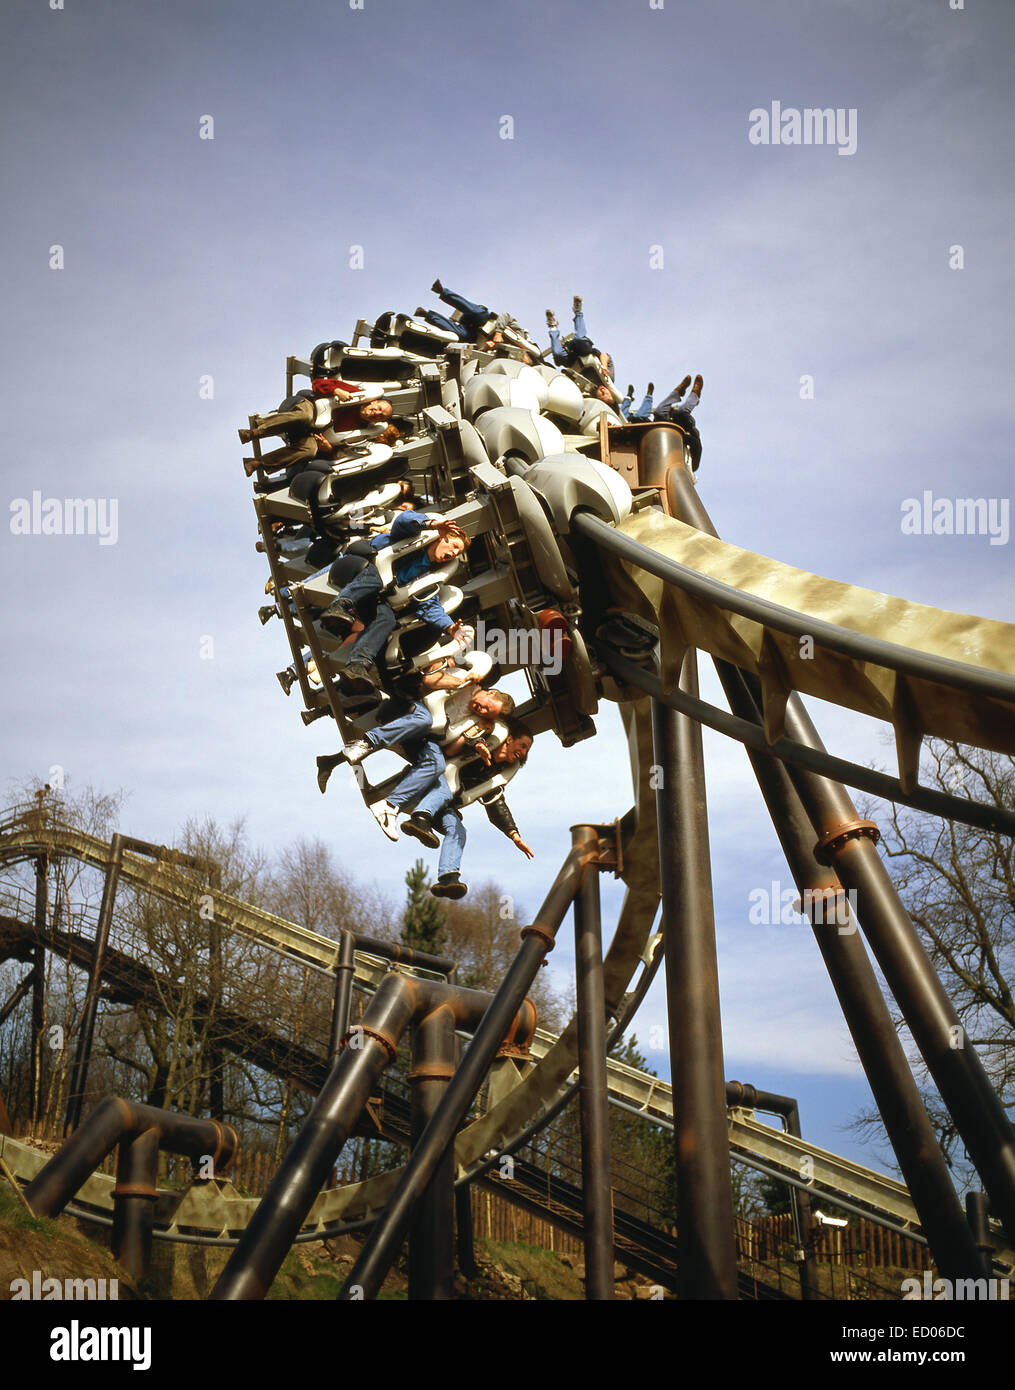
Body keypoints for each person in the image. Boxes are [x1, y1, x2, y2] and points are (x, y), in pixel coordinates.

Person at [371, 719, 536, 899]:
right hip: (432, 775)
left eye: (527, 750)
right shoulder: (486, 738)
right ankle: (419, 818)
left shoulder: (495, 773)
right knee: (445, 791)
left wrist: (514, 834)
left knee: (458, 831)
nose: (524, 752)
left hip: (443, 800)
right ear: (510, 739)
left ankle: (448, 877)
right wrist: (477, 744)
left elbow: (496, 803)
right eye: (523, 745)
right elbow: (465, 737)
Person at [318, 512, 470, 696]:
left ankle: (357, 666)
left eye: (457, 552)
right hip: (359, 567)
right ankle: (339, 607)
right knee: (377, 579)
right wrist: (432, 524)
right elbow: (403, 520)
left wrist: (450, 628)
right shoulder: (411, 538)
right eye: (453, 545)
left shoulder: (427, 577)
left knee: (387, 618)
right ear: (440, 537)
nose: (453, 553)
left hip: (374, 596)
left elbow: (429, 607)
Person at [240, 381, 394, 475]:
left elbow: (339, 452)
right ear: (373, 402)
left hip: (312, 434)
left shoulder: (362, 434)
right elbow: (318, 383)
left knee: (310, 450)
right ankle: (253, 433)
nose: (377, 413)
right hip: (308, 408)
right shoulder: (355, 395)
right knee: (304, 417)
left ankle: (257, 463)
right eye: (379, 408)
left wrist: (328, 449)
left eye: (381, 416)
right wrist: (336, 390)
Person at [545, 295, 621, 403]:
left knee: (557, 354)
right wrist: (603, 366)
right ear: (611, 392)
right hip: (585, 352)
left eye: (602, 395)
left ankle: (553, 327)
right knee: (579, 339)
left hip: (573, 360)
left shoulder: (589, 391)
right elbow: (605, 355)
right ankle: (578, 312)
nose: (603, 391)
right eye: (607, 393)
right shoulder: (609, 378)